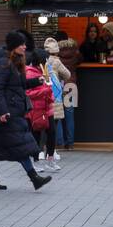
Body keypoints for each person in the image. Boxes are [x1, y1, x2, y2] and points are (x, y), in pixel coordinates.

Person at [0, 31, 52, 191]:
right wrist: (2, 111)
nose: (25, 46)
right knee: (20, 145)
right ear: (14, 46)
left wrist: (36, 81)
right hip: (9, 113)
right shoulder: (3, 64)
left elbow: (19, 86)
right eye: (21, 44)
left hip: (14, 110)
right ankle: (34, 178)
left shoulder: (15, 62)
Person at [41, 37, 71, 171]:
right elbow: (67, 75)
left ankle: (41, 150)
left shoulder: (42, 62)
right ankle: (52, 153)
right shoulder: (57, 62)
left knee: (43, 125)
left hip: (43, 96)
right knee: (53, 126)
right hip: (55, 97)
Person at [54, 31, 80, 150]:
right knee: (70, 115)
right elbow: (80, 60)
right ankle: (70, 144)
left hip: (58, 86)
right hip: (71, 84)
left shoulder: (54, 53)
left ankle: (60, 143)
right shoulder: (75, 52)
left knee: (58, 114)